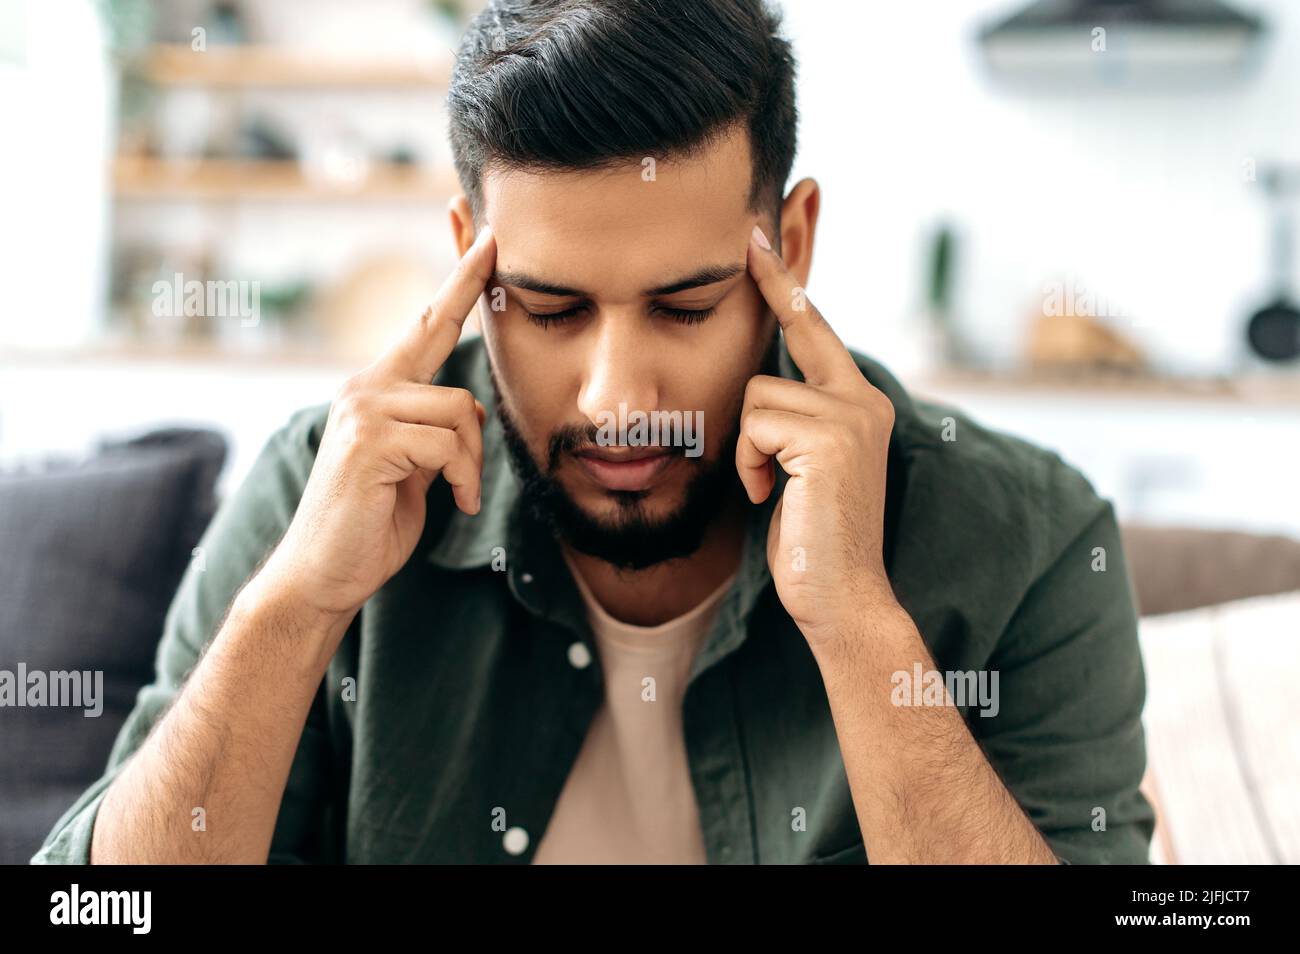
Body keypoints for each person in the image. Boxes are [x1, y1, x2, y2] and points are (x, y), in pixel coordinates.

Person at [34, 0, 1153, 865]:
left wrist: (858, 625)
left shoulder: (1029, 540)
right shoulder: (318, 487)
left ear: (791, 245)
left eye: (685, 306)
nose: (618, 399)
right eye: (554, 310)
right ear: (470, 254)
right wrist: (292, 612)